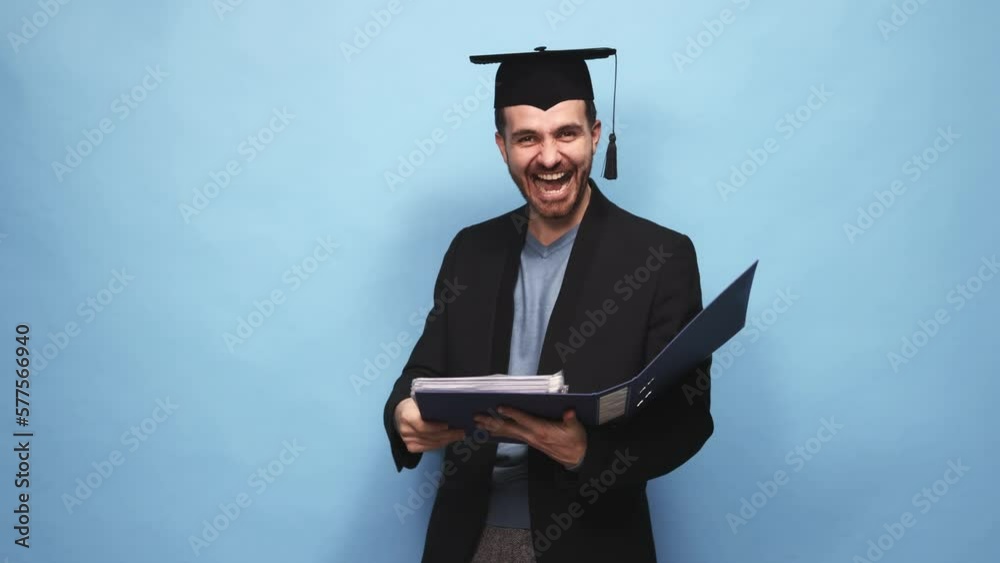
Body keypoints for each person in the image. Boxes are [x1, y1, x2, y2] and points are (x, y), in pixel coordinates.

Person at [383, 46, 714, 563]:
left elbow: (688, 422)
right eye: (527, 138)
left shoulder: (660, 257)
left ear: (595, 135)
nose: (549, 156)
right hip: (468, 538)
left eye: (566, 133)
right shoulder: (470, 250)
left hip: (593, 540)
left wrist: (587, 453)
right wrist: (402, 412)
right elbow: (423, 369)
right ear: (502, 146)